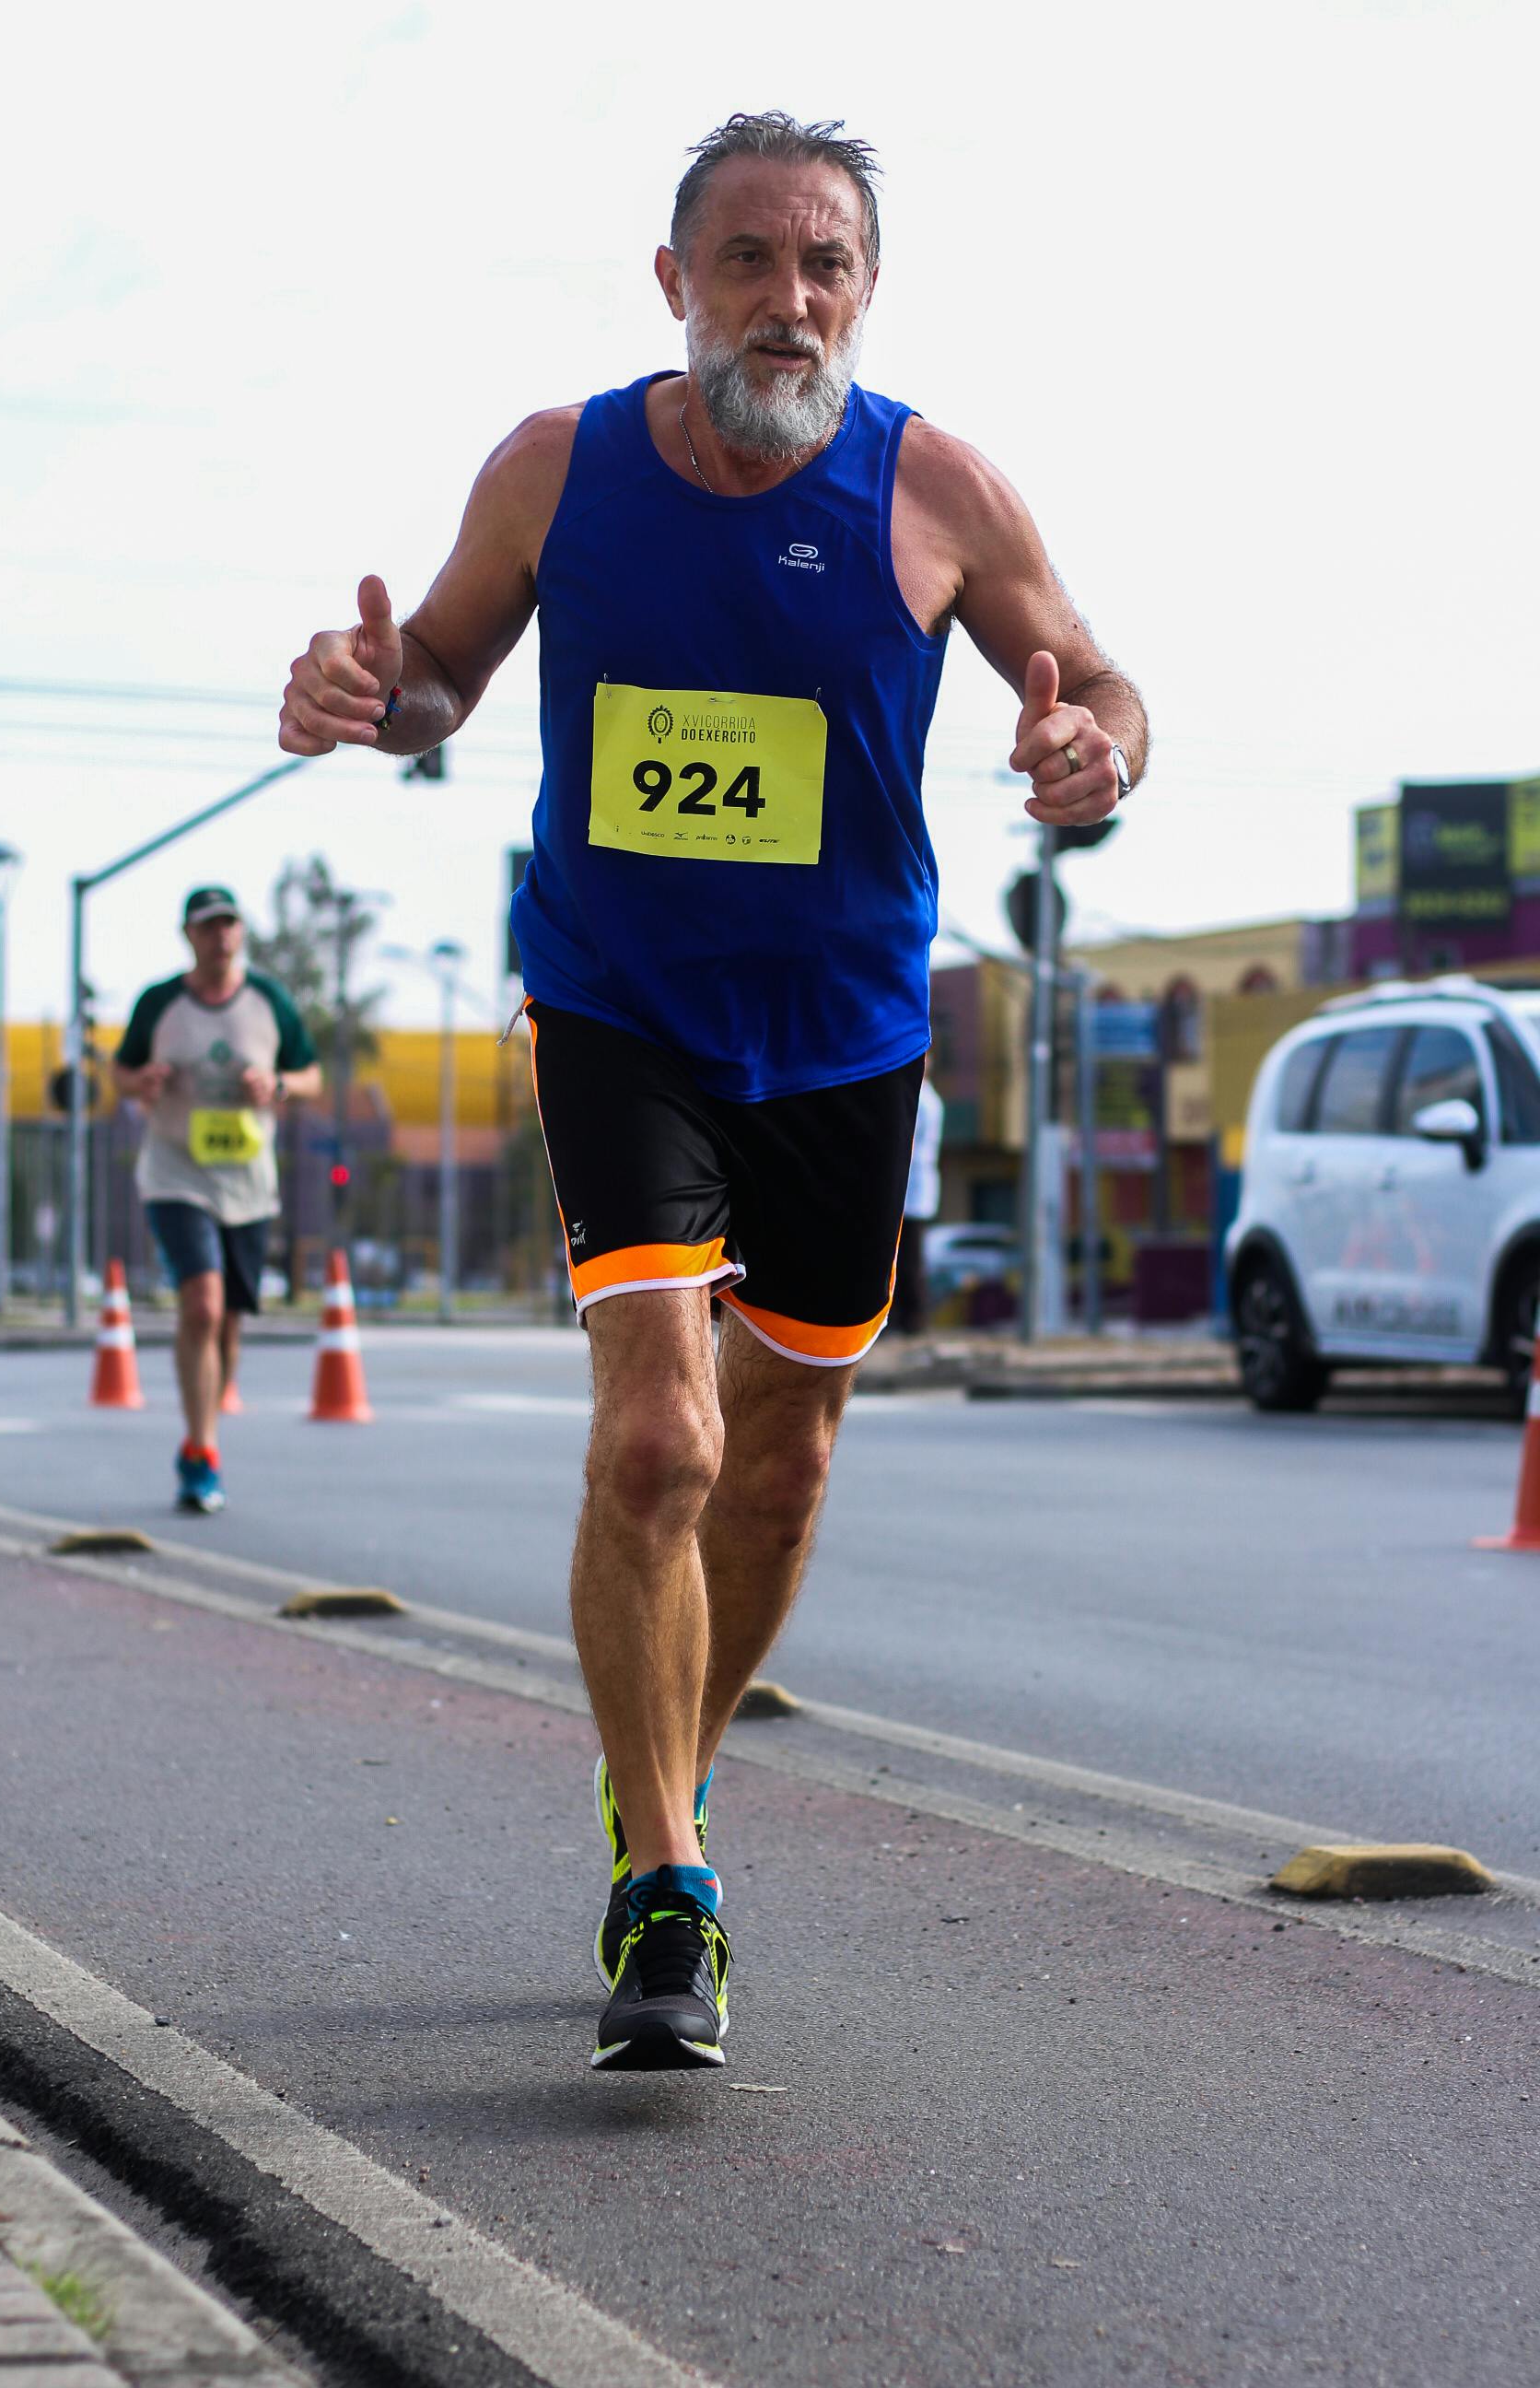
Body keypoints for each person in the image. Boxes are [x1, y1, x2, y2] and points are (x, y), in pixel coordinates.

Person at [278, 111, 1147, 2070]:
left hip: (845, 1033)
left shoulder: (936, 487)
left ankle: (661, 1757)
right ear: (675, 280)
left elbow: (1100, 681)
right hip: (620, 1010)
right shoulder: (557, 468)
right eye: (747, 258)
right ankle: (667, 1877)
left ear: (866, 290)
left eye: (824, 262)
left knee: (782, 1460)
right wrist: (366, 693)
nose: (788, 298)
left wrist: (1096, 745)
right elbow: (436, 676)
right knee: (660, 1441)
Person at [113, 887, 321, 1515]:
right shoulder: (160, 1002)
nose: (220, 936)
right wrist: (142, 1080)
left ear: (241, 932)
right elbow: (119, 1071)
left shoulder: (268, 1001)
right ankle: (202, 1452)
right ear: (189, 935)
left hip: (247, 1183)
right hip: (176, 1173)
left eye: (229, 924)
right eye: (208, 926)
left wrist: (277, 1084)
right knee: (201, 1305)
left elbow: (310, 1076)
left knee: (228, 1323)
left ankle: (205, 1434)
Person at [892, 1057, 945, 1338]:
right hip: (914, 1187)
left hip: (912, 1189)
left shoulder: (923, 1100)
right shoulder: (928, 1099)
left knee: (909, 1259)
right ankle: (907, 1317)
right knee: (906, 1258)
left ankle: (913, 1319)